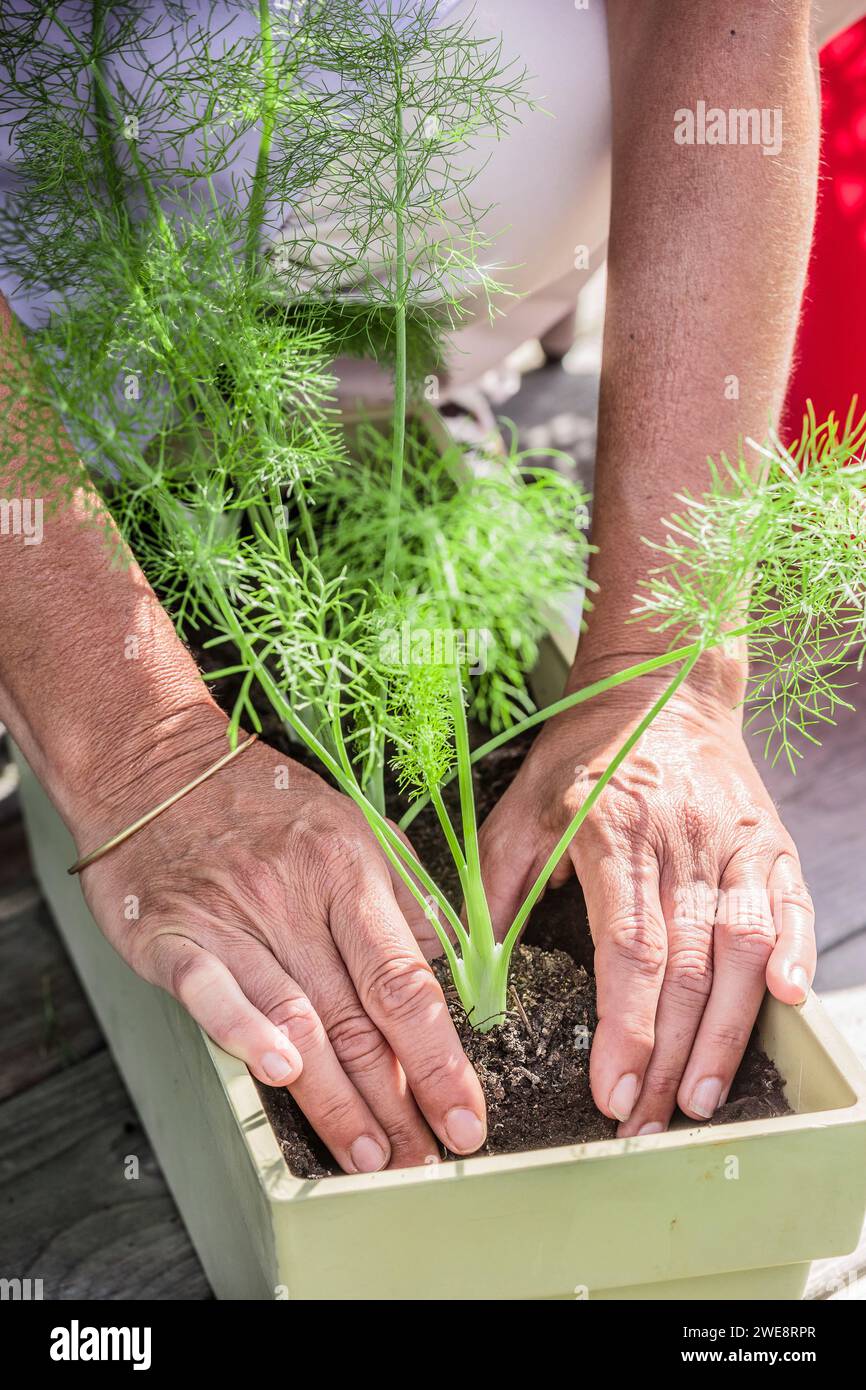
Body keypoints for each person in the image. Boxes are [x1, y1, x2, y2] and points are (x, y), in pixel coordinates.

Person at [0, 0, 855, 1171]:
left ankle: (380, 413)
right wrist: (137, 750)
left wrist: (664, 668)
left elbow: (725, 17)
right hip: (64, 307)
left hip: (413, 273)